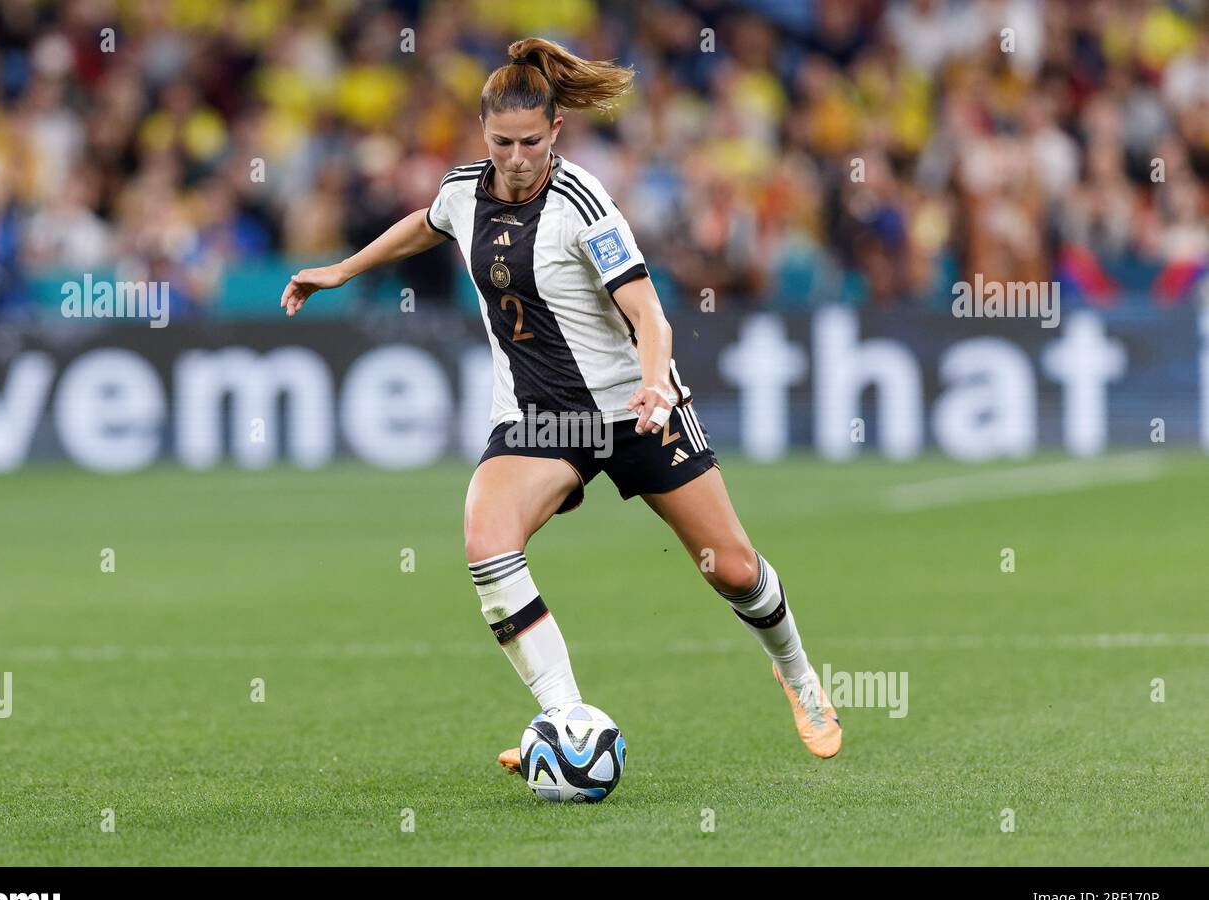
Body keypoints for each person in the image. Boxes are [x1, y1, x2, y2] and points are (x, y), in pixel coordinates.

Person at [280, 37, 841, 775]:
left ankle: (799, 677)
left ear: (557, 134)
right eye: (502, 142)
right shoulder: (464, 191)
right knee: (487, 540)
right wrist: (344, 270)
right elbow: (428, 220)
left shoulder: (584, 203)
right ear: (484, 133)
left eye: (531, 143)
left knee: (731, 569)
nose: (516, 158)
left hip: (633, 406)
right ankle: (565, 717)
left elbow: (649, 314)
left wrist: (651, 383)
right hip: (540, 419)